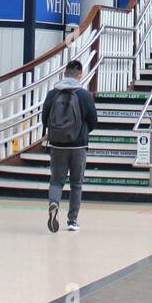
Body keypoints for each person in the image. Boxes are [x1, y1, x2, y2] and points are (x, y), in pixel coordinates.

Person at [41, 59, 99, 232]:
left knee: (56, 181)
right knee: (76, 183)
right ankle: (72, 221)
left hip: (57, 145)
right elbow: (93, 119)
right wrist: (83, 132)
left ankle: (54, 203)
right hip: (78, 146)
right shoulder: (84, 95)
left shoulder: (53, 94)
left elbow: (44, 118)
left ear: (65, 74)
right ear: (80, 76)